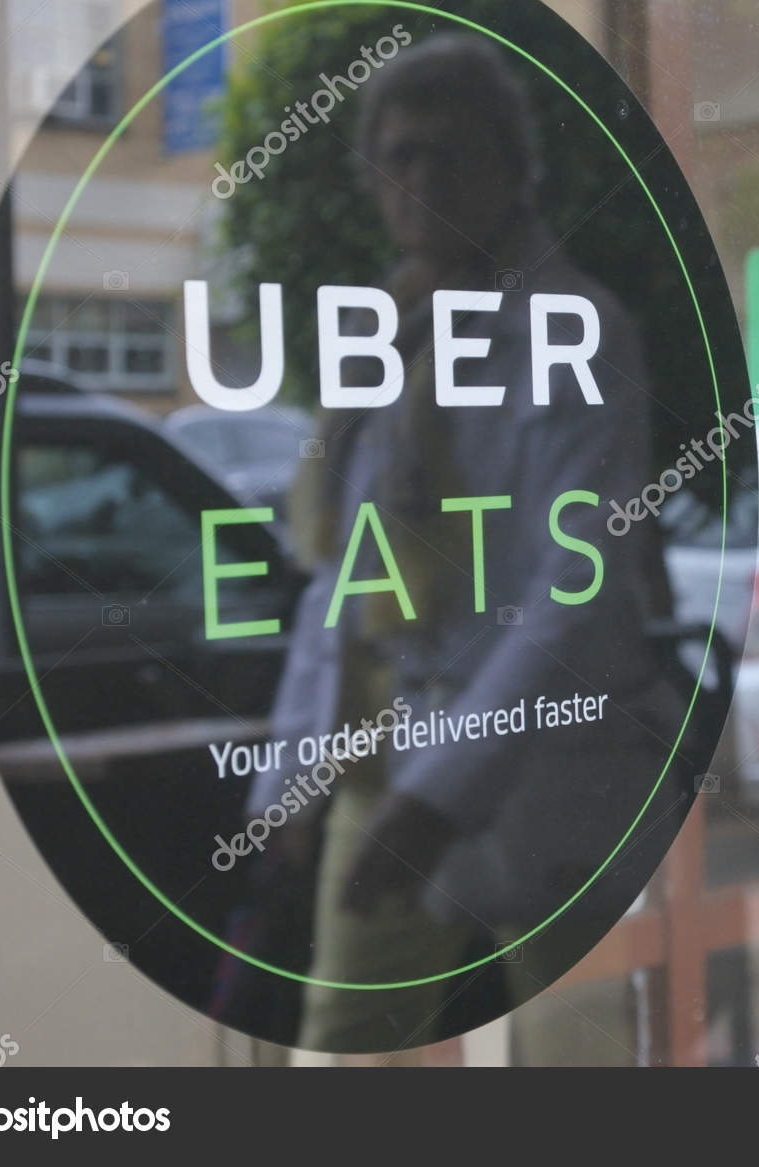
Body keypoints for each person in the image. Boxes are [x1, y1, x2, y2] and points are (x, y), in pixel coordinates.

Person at [251, 31, 680, 1054]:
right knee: (346, 1050)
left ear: (509, 166)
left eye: (451, 151)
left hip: (543, 769)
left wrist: (435, 803)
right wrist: (287, 781)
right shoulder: (388, 335)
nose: (422, 176)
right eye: (398, 155)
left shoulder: (576, 325)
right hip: (385, 755)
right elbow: (340, 587)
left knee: (585, 1057)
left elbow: (570, 592)